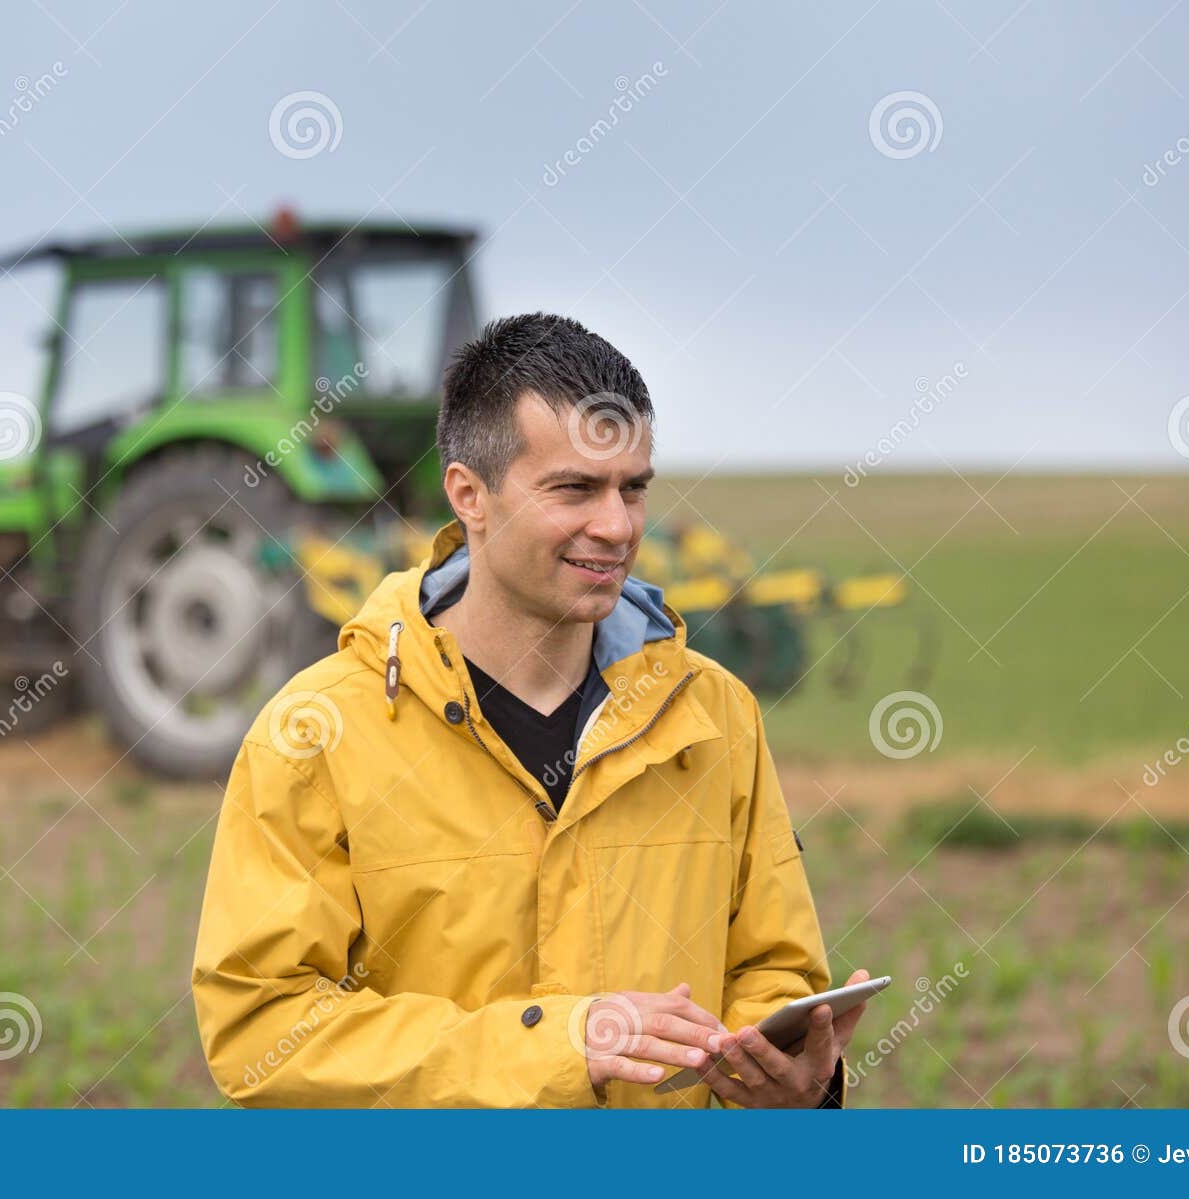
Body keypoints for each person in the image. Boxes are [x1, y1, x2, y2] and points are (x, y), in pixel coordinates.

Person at [192, 312, 869, 1107]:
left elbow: (772, 970)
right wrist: (558, 1045)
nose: (616, 526)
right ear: (468, 494)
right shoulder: (315, 734)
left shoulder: (715, 713)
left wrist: (793, 1084)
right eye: (576, 489)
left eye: (633, 488)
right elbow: (262, 1035)